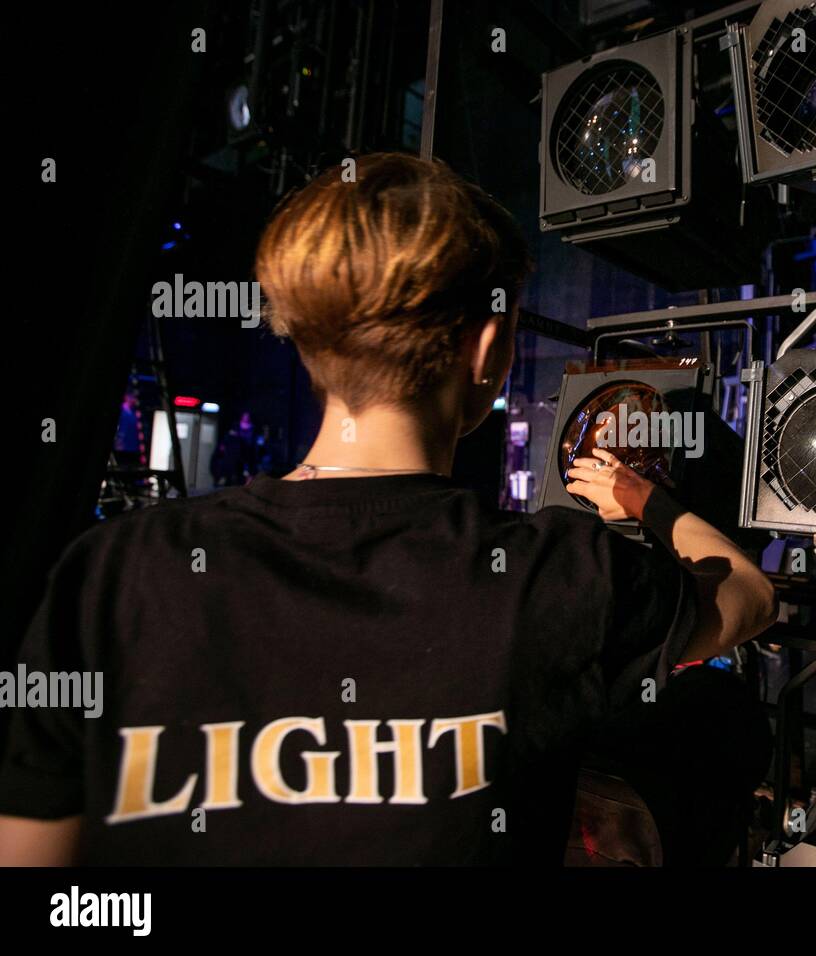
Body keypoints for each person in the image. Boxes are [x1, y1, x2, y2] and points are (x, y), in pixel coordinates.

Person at [0, 152, 776, 865]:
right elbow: (749, 596)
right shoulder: (558, 573)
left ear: (308, 340)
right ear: (488, 351)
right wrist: (643, 498)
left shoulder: (115, 571)